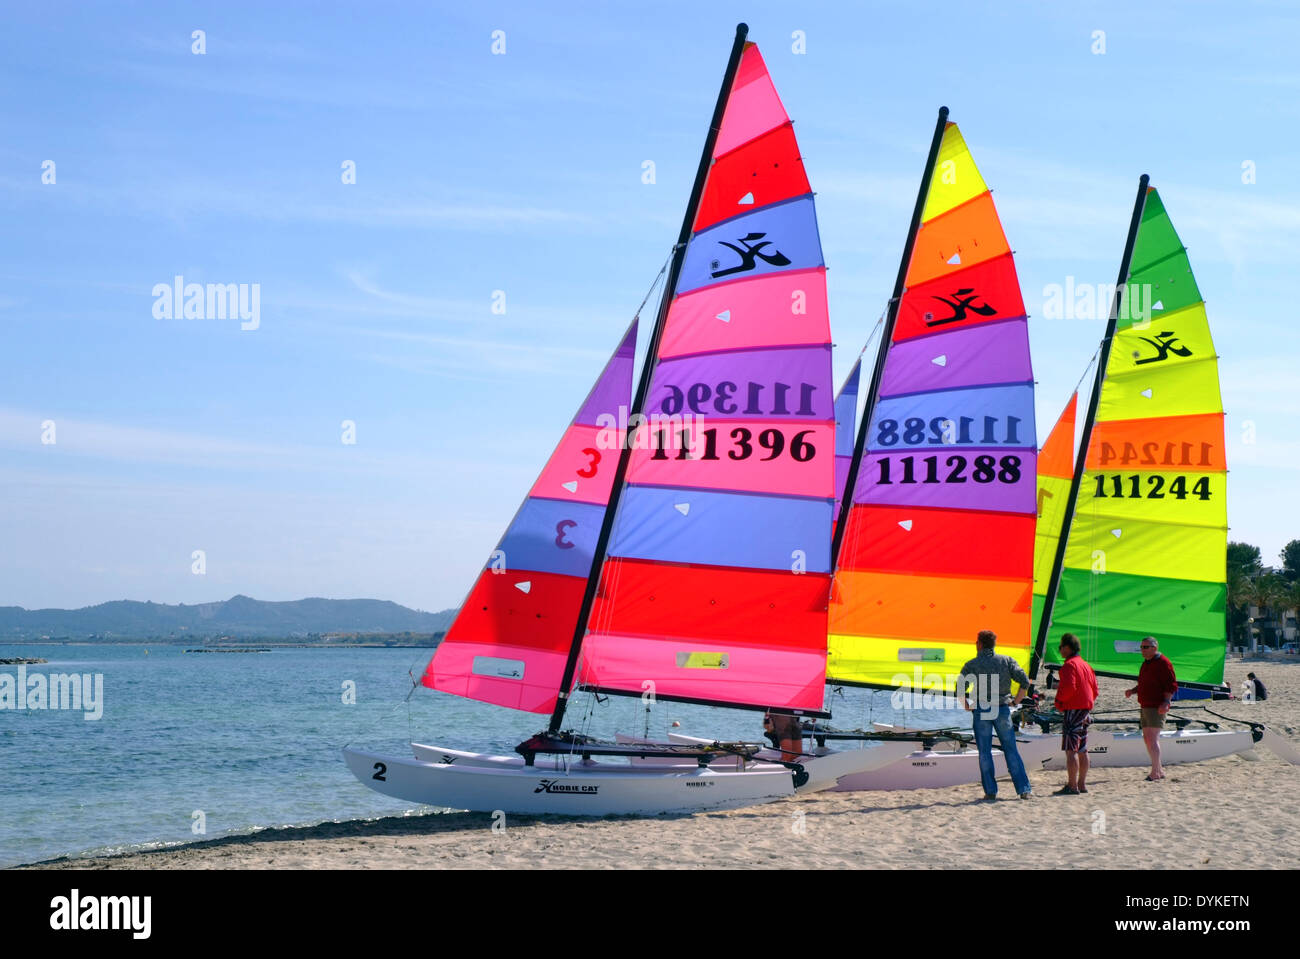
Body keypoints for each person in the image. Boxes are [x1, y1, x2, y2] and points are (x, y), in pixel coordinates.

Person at [959, 629, 1032, 801]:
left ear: (980, 644)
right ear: (993, 644)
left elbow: (960, 688)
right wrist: (1015, 702)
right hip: (1002, 709)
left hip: (981, 710)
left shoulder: (971, 664)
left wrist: (968, 706)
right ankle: (1023, 790)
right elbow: (1025, 681)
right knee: (1011, 749)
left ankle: (990, 792)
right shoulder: (1006, 661)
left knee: (985, 752)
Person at [1123, 636, 1177, 780]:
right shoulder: (1146, 663)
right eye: (1141, 647)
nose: (1142, 650)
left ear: (1154, 648)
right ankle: (1158, 770)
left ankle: (1155, 772)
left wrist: (1166, 702)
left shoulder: (1163, 663)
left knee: (1152, 739)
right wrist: (1132, 691)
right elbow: (1142, 683)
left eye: (1145, 647)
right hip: (1145, 705)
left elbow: (1171, 685)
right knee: (1147, 738)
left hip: (1156, 706)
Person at [1052, 633, 1099, 795]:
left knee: (1071, 750)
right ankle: (1082, 784)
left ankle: (1072, 786)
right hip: (1086, 710)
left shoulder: (1069, 666)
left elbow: (1069, 688)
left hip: (1073, 710)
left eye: (1060, 647)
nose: (1060, 650)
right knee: (1083, 749)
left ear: (1067, 647)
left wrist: (1059, 702)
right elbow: (1095, 690)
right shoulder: (1086, 665)